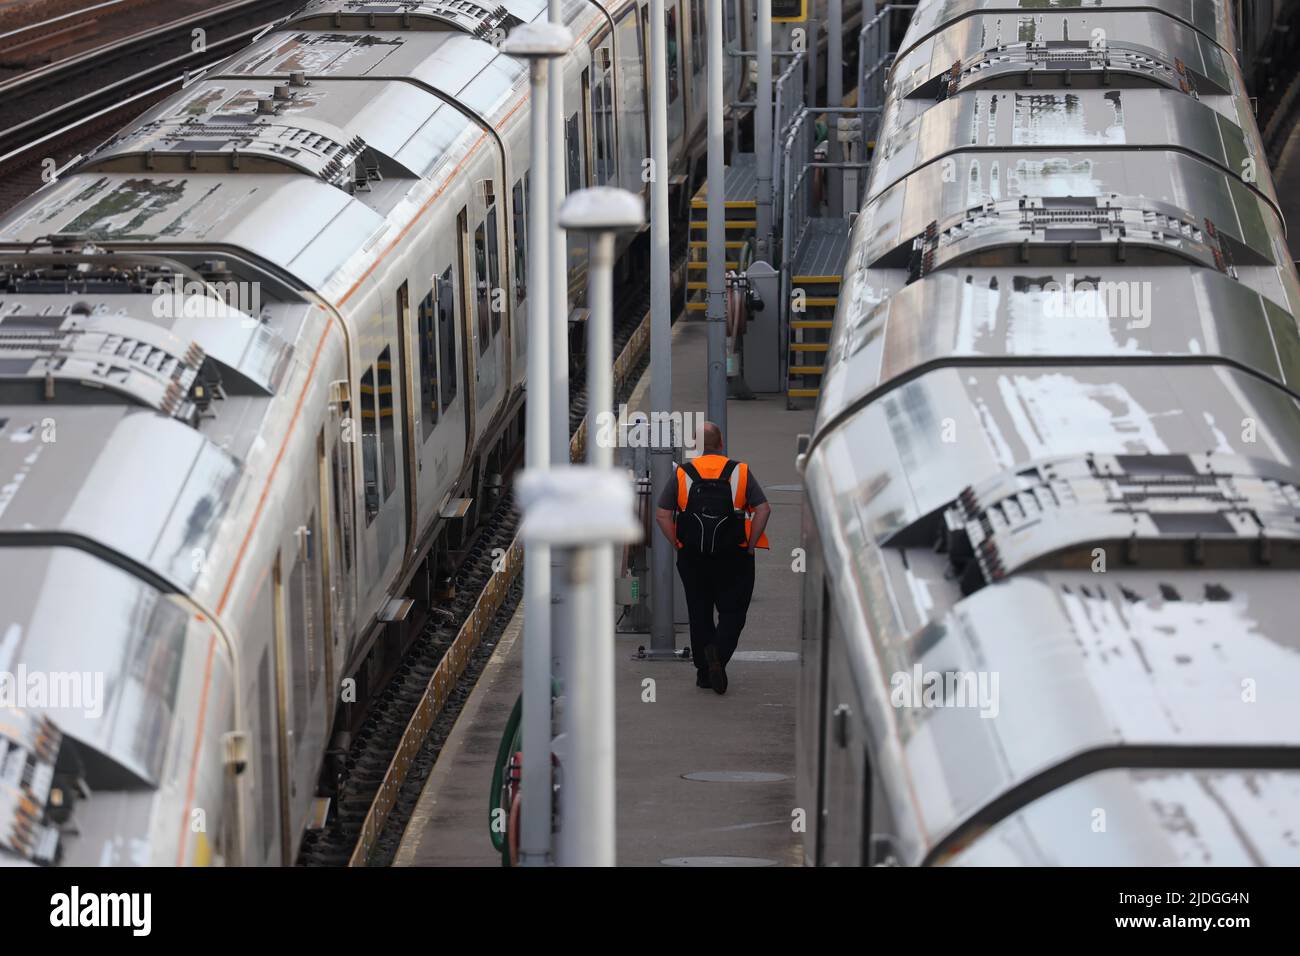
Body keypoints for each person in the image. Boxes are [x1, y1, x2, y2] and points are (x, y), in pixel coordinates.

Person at [654, 422, 771, 694]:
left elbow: (662, 514)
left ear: (696, 447)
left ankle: (704, 674)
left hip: (693, 555)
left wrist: (678, 543)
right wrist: (751, 544)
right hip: (734, 555)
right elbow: (763, 509)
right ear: (721, 444)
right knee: (733, 612)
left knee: (699, 612)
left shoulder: (683, 473)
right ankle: (717, 653)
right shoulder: (739, 472)